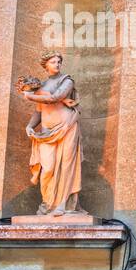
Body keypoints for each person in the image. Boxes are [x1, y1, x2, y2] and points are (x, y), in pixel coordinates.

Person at [19, 50, 84, 217]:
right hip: (47, 131)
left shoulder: (67, 80)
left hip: (67, 126)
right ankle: (48, 203)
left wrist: (30, 97)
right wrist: (30, 125)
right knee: (47, 168)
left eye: (59, 62)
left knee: (66, 165)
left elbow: (56, 97)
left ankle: (63, 203)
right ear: (45, 65)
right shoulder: (40, 86)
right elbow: (39, 111)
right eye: (53, 62)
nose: (57, 64)